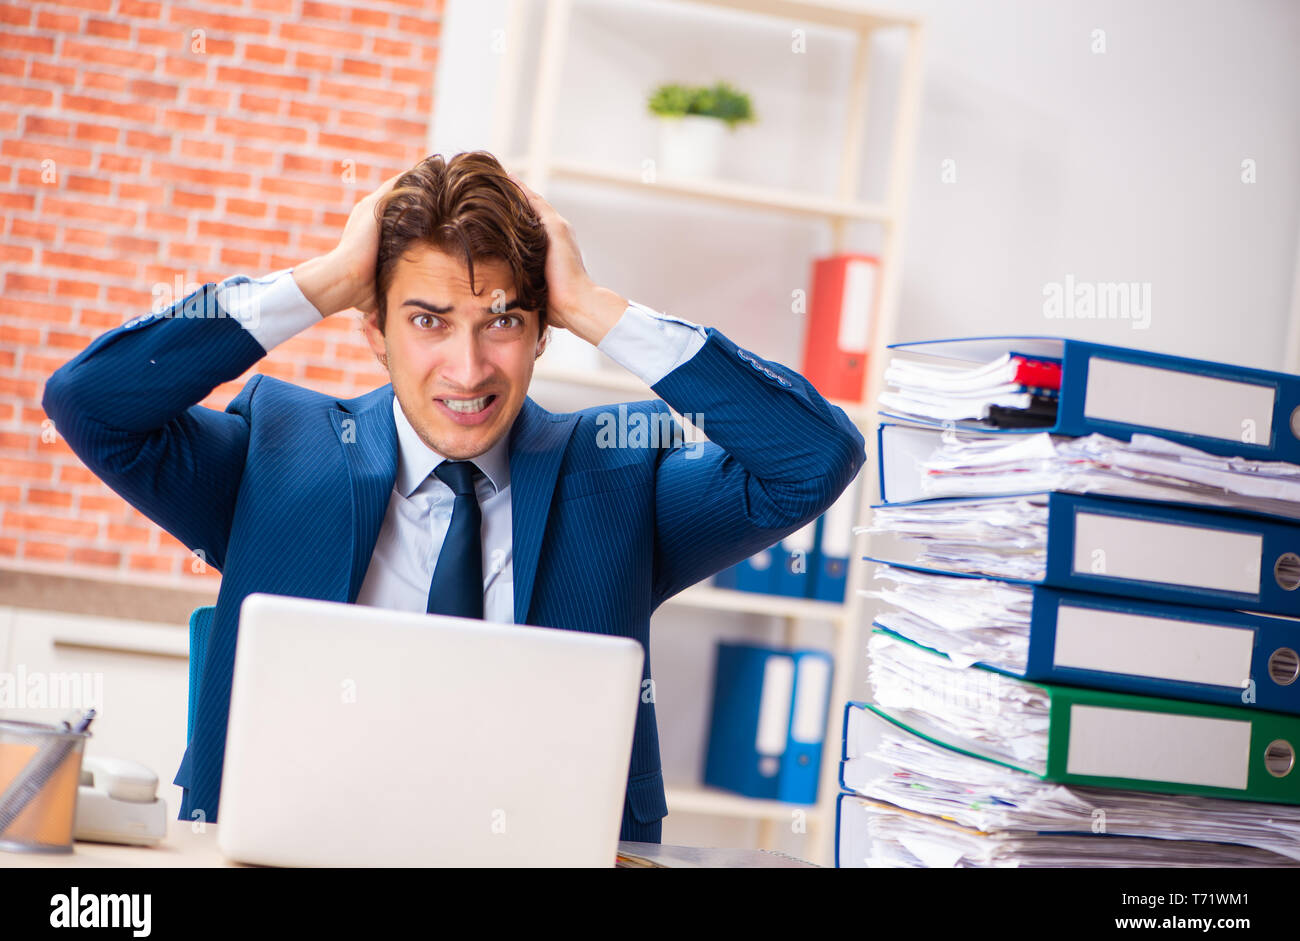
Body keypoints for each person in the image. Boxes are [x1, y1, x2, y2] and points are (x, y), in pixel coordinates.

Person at [41, 150, 867, 843]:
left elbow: (814, 456)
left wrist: (596, 308)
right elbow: (90, 402)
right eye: (429, 321)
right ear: (375, 328)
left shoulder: (616, 477)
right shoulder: (278, 451)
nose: (468, 370)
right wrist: (324, 281)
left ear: (543, 330)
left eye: (503, 321)